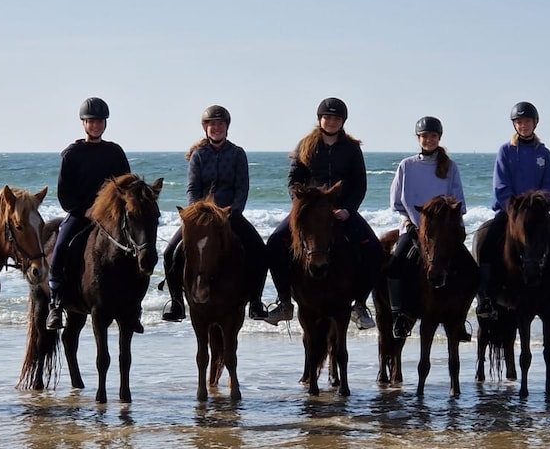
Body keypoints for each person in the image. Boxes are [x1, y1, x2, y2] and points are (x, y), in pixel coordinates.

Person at [263, 97, 383, 329]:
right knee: (276, 242)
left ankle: (359, 304)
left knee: (374, 248)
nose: (331, 121)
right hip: (308, 212)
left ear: (342, 121)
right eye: (327, 117)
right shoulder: (305, 145)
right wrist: (301, 206)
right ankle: (285, 302)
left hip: (340, 210)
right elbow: (293, 180)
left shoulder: (352, 148)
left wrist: (348, 209)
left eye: (336, 118)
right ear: (320, 119)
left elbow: (359, 184)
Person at [161, 105, 269, 322]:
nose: (216, 128)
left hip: (230, 215)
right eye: (212, 124)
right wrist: (198, 213)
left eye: (220, 124)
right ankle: (177, 303)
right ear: (205, 128)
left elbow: (242, 187)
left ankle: (256, 302)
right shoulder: (198, 156)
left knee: (260, 250)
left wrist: (233, 211)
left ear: (227, 127)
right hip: (201, 219)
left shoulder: (237, 154)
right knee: (170, 253)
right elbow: (192, 189)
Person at [475, 101, 550, 318]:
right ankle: (485, 299)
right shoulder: (506, 151)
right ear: (514, 125)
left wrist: (539, 207)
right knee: (484, 244)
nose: (523, 126)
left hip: (537, 215)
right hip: (509, 214)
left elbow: (548, 187)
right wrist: (515, 212)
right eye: (519, 122)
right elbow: (501, 186)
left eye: (527, 122)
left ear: (535, 123)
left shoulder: (544, 153)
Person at [45, 97, 133, 331]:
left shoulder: (115, 152)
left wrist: (112, 209)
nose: (96, 125)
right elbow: (65, 194)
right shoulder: (72, 154)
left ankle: (133, 306)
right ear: (83, 123)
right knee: (62, 244)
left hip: (111, 216)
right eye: (91, 121)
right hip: (81, 213)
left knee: (135, 247)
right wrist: (84, 210)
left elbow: (126, 187)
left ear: (105, 124)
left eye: (100, 121)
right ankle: (55, 302)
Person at [385, 115, 467, 338]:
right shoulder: (406, 166)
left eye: (433, 136)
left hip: (441, 233)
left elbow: (458, 200)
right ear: (418, 138)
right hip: (412, 230)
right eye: (424, 136)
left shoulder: (450, 167)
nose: (429, 140)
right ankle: (399, 316)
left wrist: (451, 223)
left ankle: (461, 318)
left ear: (439, 138)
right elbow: (396, 203)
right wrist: (408, 222)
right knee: (394, 267)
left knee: (470, 269)